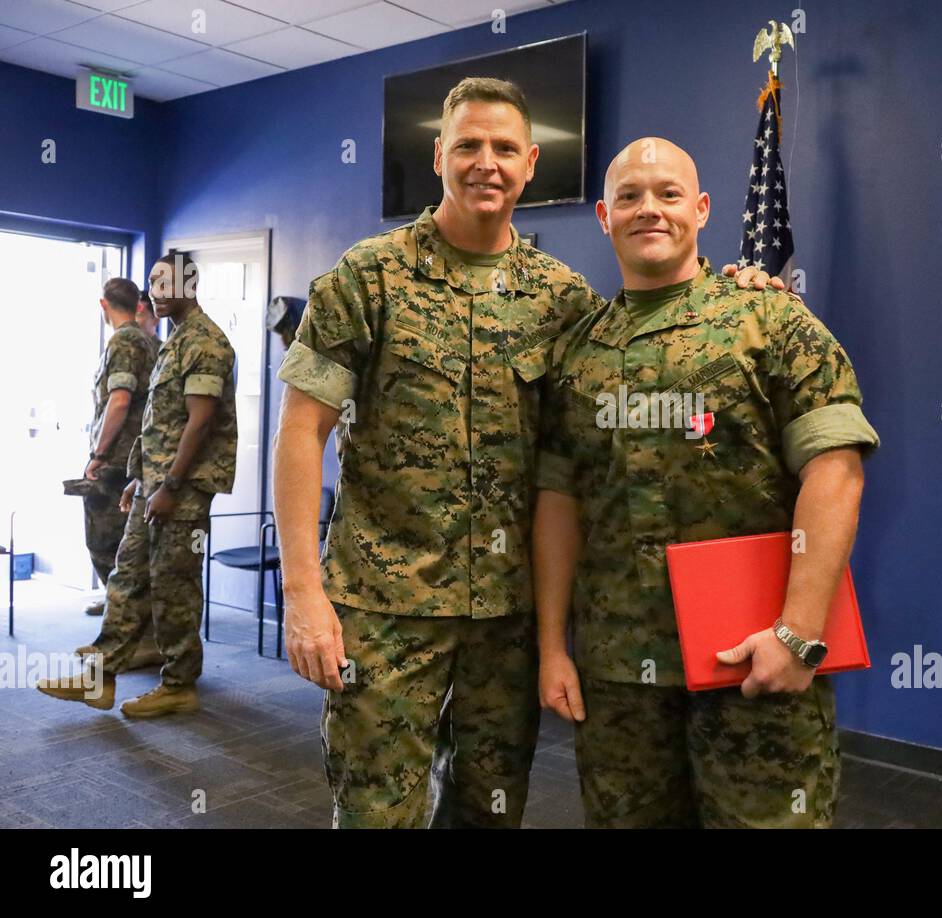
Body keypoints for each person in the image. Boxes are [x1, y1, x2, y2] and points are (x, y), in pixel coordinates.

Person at [274, 78, 778, 828]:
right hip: (385, 607)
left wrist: (742, 287)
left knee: (491, 806)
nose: (487, 163)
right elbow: (300, 433)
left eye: (504, 148)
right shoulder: (369, 277)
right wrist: (303, 595)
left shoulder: (561, 298)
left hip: (507, 616)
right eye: (468, 145)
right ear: (439, 153)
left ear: (531, 162)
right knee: (378, 807)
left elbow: (658, 323)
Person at [532, 138, 881, 828]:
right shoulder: (576, 353)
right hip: (620, 675)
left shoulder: (771, 321)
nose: (648, 209)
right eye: (629, 196)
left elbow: (835, 471)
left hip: (755, 661)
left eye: (667, 193)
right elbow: (558, 502)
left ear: (701, 208)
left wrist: (800, 636)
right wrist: (551, 647)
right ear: (604, 215)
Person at [38, 251, 239, 717]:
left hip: (182, 490)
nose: (154, 291)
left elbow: (199, 423)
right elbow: (156, 421)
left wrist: (169, 484)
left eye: (163, 281)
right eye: (151, 281)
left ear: (188, 283)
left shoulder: (207, 342)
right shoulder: (171, 341)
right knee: (126, 579)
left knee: (174, 586)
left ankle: (179, 682)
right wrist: (137, 478)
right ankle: (100, 678)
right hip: (154, 484)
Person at [79, 278, 157, 626]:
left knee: (106, 542)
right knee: (132, 545)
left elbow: (120, 400)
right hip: (139, 456)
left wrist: (98, 454)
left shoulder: (124, 341)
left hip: (118, 461)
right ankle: (126, 614)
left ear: (103, 305)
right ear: (139, 306)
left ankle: (127, 624)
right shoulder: (152, 342)